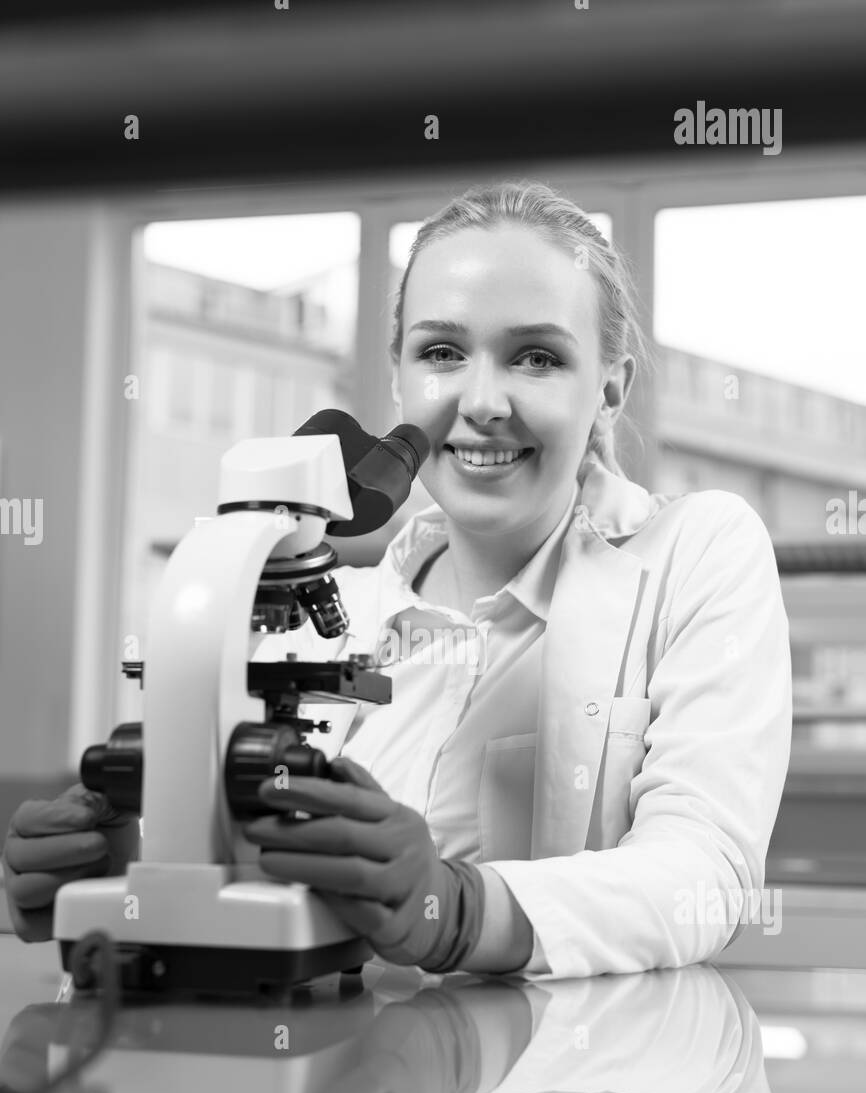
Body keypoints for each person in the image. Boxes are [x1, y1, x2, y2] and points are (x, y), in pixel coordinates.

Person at [2, 180, 792, 979]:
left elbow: (705, 872)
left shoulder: (698, 551)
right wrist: (127, 881)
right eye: (442, 353)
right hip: (338, 1080)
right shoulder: (326, 611)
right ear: (399, 380)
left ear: (609, 392)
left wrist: (460, 910)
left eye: (537, 357)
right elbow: (256, 883)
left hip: (569, 1086)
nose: (482, 401)